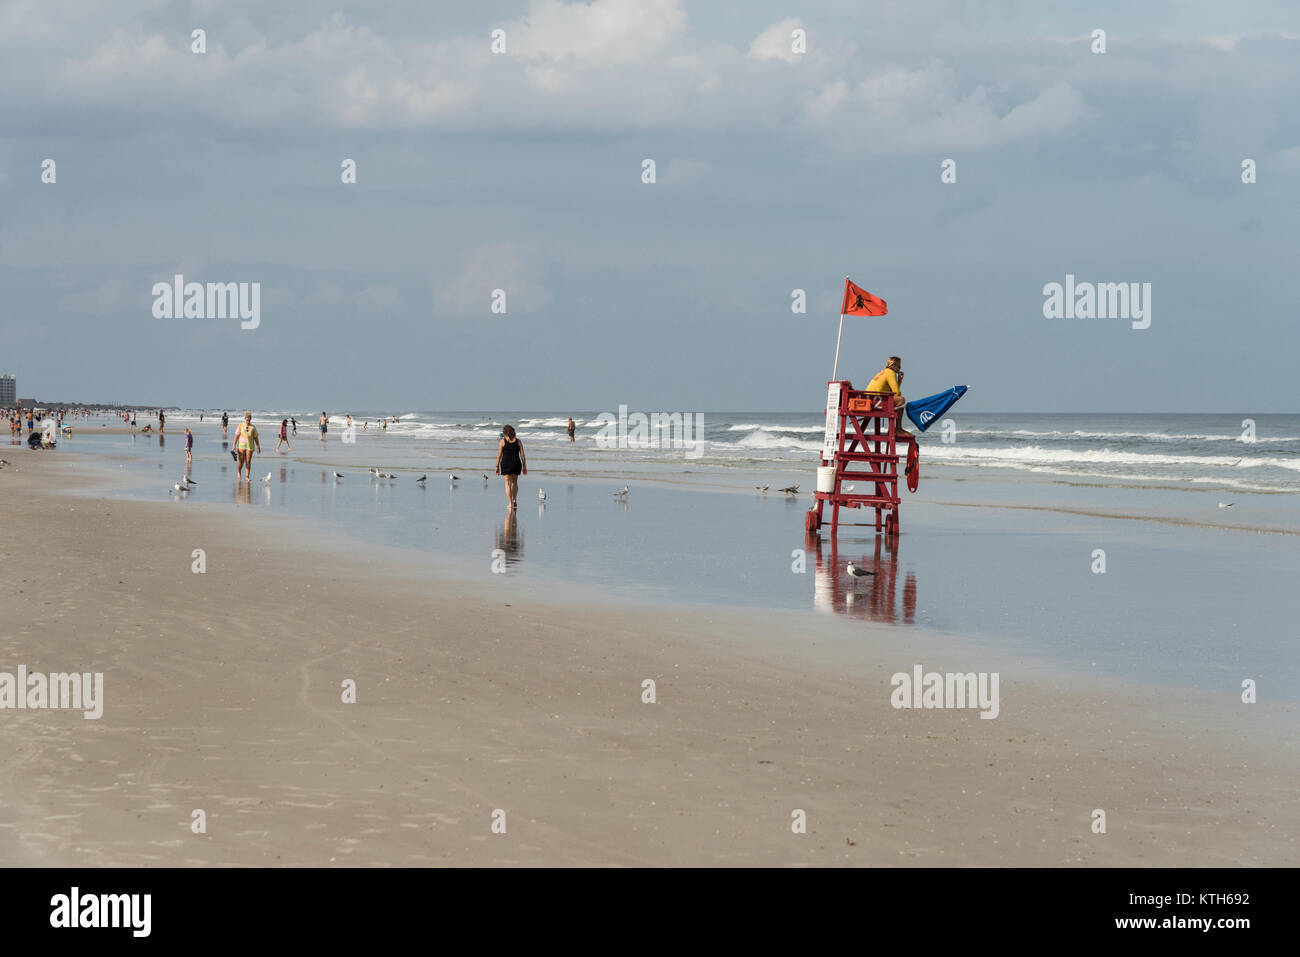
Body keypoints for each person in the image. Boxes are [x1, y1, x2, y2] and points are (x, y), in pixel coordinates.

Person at [865, 356, 911, 438]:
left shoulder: (883, 371)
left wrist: (899, 381)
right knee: (901, 400)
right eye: (898, 365)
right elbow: (897, 393)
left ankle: (892, 429)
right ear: (893, 365)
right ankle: (898, 428)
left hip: (870, 400)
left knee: (898, 400)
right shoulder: (890, 373)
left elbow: (891, 392)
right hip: (875, 401)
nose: (900, 367)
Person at [495, 424, 527, 510]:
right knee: (514, 483)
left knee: (507, 484)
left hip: (506, 464)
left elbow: (499, 456)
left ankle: (510, 503)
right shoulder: (518, 441)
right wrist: (524, 467)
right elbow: (523, 455)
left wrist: (497, 466)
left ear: (505, 433)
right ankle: (514, 500)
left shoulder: (502, 442)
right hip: (516, 464)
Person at [234, 412, 261, 481]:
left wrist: (258, 446)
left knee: (248, 461)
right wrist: (234, 445)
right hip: (241, 446)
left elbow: (255, 437)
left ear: (250, 419)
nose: (248, 420)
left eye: (249, 419)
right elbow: (236, 436)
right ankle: (239, 472)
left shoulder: (253, 427)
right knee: (241, 461)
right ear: (245, 418)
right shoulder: (240, 425)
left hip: (250, 446)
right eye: (247, 419)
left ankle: (247, 476)